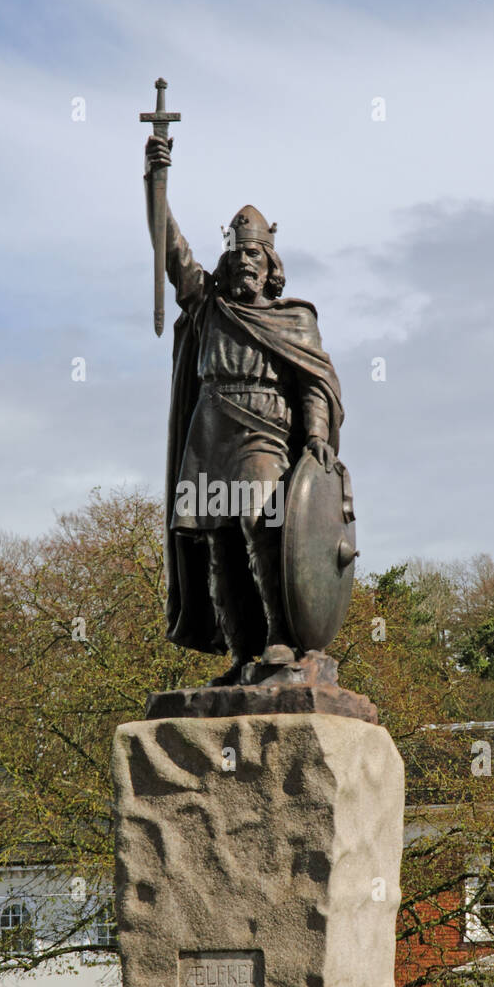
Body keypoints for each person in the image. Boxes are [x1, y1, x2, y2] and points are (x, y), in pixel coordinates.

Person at [145, 133, 344, 684]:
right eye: (235, 254)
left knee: (262, 525)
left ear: (270, 261)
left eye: (252, 254)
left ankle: (282, 635)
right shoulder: (208, 304)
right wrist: (156, 180)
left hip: (264, 435)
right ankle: (240, 654)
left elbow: (313, 384)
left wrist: (318, 434)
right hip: (210, 432)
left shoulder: (295, 319)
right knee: (219, 546)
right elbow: (171, 249)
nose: (242, 263)